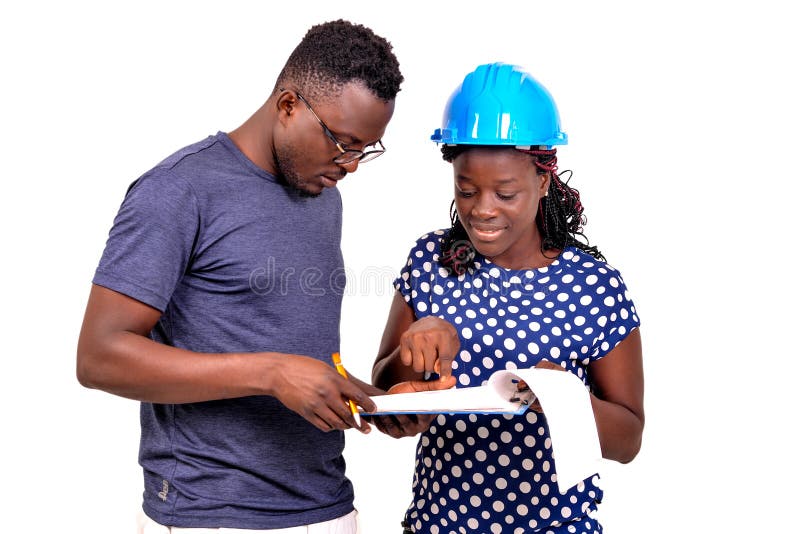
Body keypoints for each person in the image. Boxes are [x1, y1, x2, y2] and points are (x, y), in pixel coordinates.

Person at [76, 19, 439, 533]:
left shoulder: (322, 195)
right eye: (342, 142)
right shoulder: (179, 190)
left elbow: (297, 359)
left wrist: (373, 403)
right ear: (288, 105)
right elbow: (98, 356)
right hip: (212, 515)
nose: (351, 165)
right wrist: (270, 374)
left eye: (365, 149)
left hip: (328, 506)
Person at [372, 63, 645, 534]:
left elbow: (628, 439)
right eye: (466, 189)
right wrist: (412, 352)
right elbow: (383, 392)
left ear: (543, 181)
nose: (482, 209)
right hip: (437, 525)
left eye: (506, 192)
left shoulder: (594, 287)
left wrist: (563, 401)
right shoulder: (430, 261)